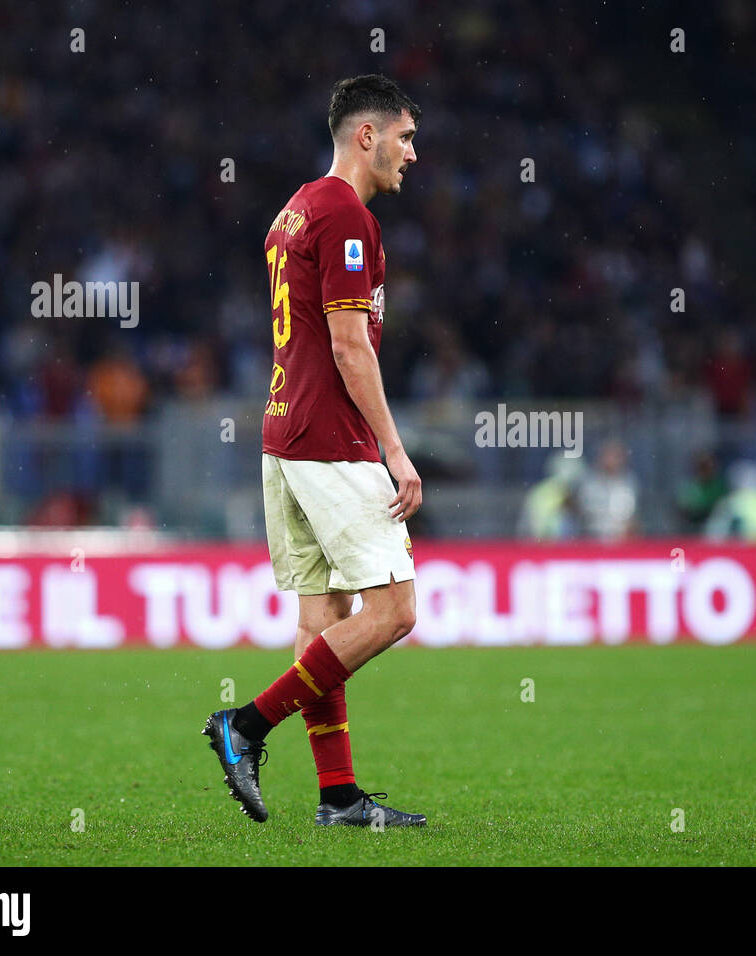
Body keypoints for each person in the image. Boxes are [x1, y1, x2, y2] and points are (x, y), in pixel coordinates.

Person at [202, 75, 425, 828]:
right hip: (331, 441)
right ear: (367, 136)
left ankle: (338, 797)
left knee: (322, 620)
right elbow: (347, 343)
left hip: (281, 434)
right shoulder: (345, 215)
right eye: (404, 136)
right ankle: (246, 726)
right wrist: (394, 450)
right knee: (394, 610)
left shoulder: (293, 209)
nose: (412, 154)